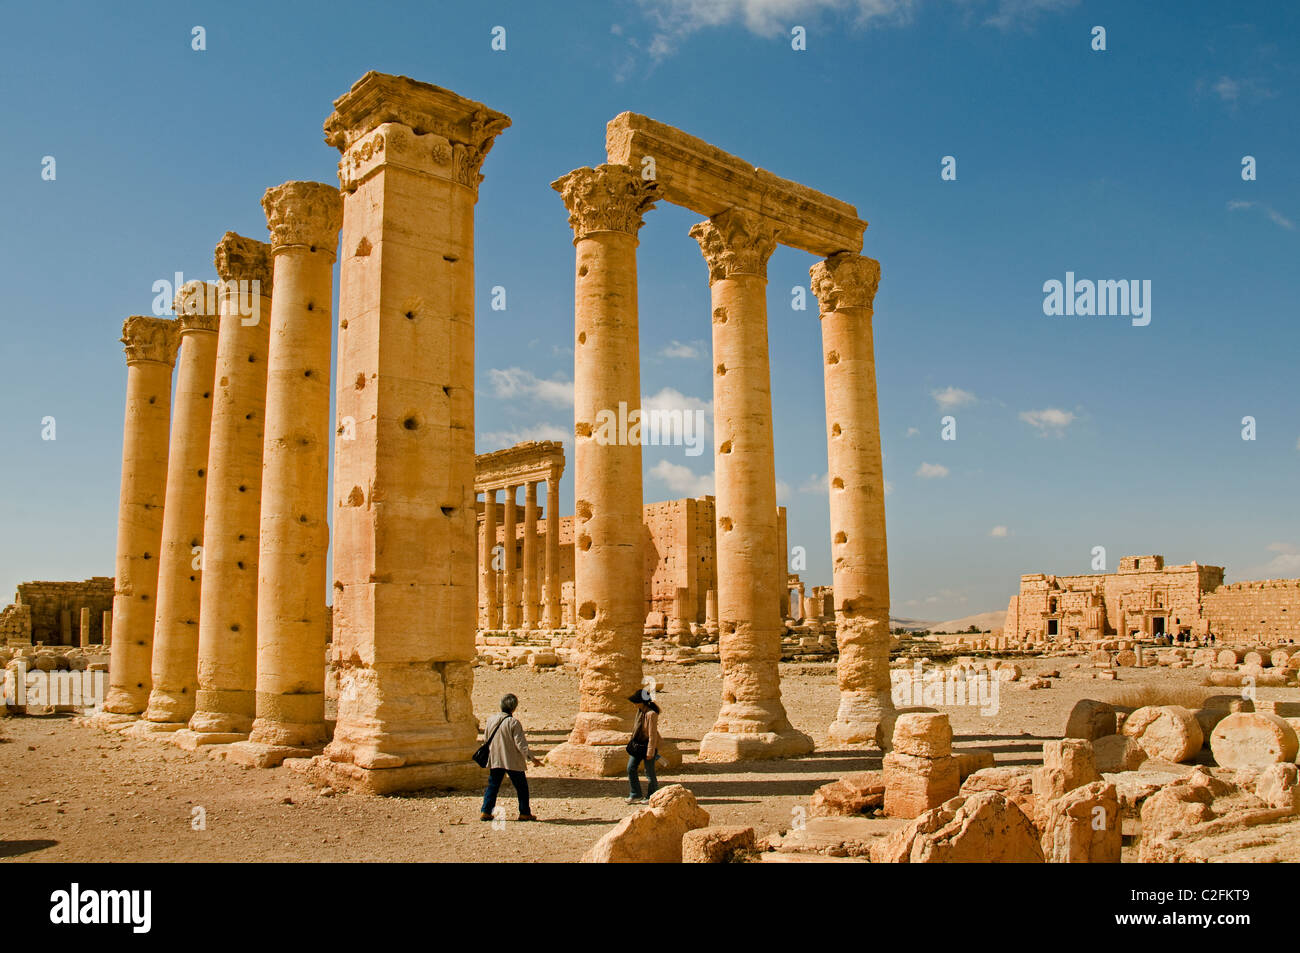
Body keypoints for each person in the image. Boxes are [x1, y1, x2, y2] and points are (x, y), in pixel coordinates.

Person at [479, 694, 541, 822]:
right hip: (512, 761)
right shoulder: (513, 723)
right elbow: (521, 744)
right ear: (514, 708)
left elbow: (486, 739)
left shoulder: (491, 720)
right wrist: (532, 758)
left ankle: (486, 811)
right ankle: (524, 813)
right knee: (521, 787)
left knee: (493, 786)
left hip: (495, 759)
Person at [625, 689, 662, 804]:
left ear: (642, 702)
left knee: (649, 773)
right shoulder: (640, 712)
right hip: (638, 746)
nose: (634, 704)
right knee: (630, 768)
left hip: (647, 746)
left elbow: (652, 735)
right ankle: (635, 794)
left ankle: (652, 796)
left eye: (636, 701)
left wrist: (650, 752)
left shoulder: (651, 714)